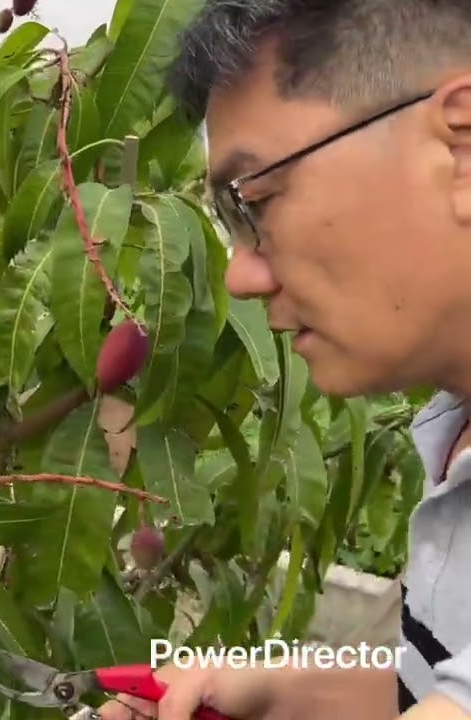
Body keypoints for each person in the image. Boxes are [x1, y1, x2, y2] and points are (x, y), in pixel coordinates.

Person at [97, 1, 471, 718]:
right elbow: (434, 680)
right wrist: (271, 689)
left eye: (254, 201)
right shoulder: (452, 430)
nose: (240, 277)